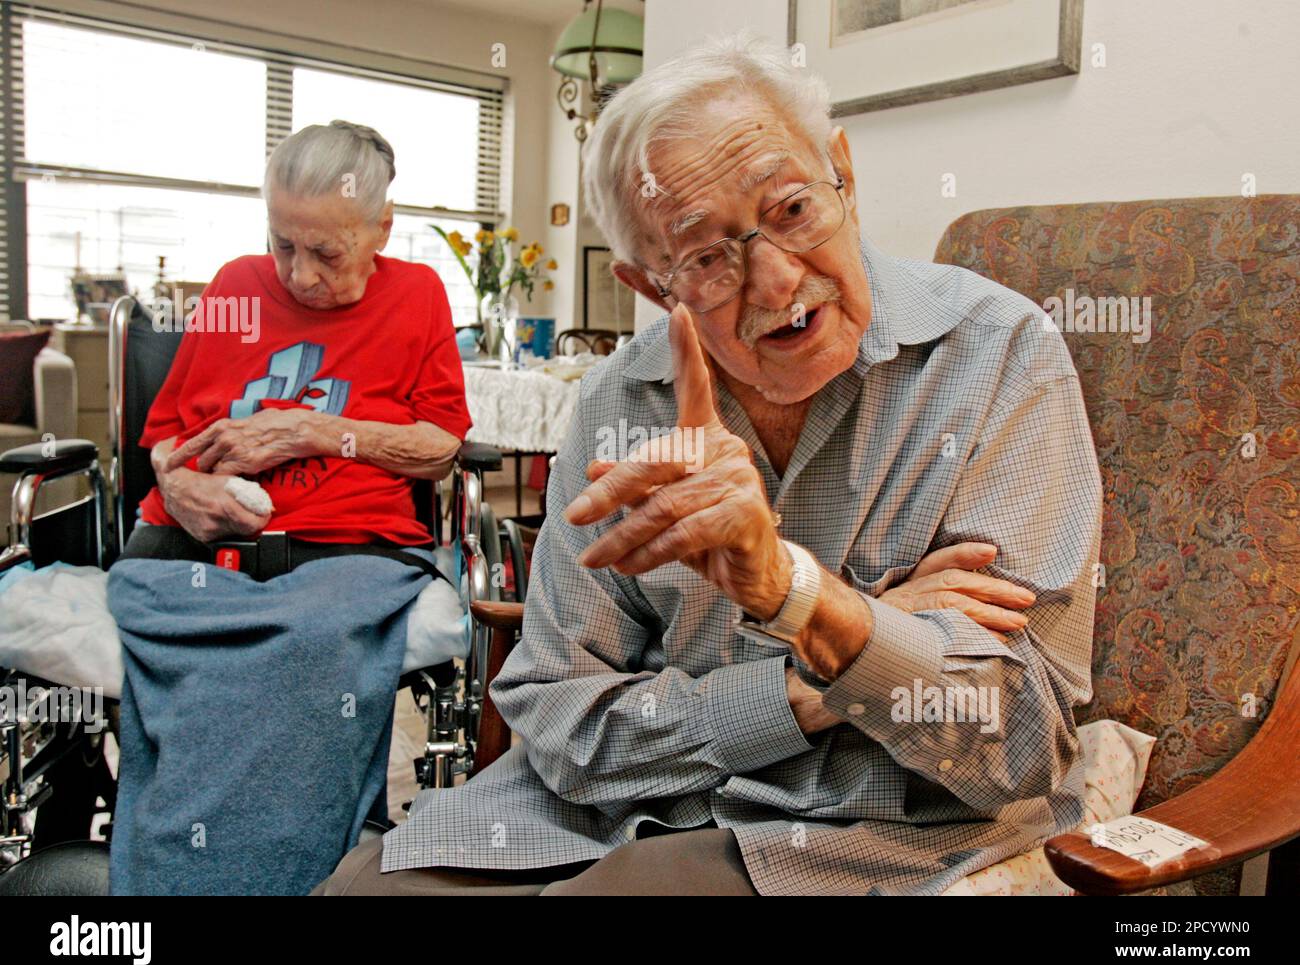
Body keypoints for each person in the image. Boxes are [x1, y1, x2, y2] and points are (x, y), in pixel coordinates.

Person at [319, 31, 1101, 896]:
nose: (773, 280)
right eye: (704, 255)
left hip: (861, 830)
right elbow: (557, 713)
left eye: (793, 209)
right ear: (650, 285)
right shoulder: (620, 402)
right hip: (611, 808)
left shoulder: (997, 355)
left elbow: (1019, 738)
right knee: (356, 889)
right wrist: (819, 677)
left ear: (840, 166)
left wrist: (793, 593)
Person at [108, 121, 471, 895]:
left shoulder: (418, 295)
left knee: (311, 650)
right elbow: (166, 439)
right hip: (192, 546)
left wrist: (314, 430)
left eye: (325, 253)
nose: (299, 274)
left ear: (381, 228)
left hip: (344, 551)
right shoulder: (235, 284)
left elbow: (440, 445)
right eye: (283, 245)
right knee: (180, 648)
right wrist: (179, 487)